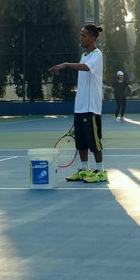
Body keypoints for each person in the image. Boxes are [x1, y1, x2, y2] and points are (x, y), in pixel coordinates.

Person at [51, 24, 107, 183]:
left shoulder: (97, 55)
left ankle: (101, 171)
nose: (80, 38)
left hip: (91, 108)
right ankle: (84, 169)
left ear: (92, 38)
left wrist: (66, 64)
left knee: (94, 142)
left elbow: (86, 68)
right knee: (81, 142)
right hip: (80, 107)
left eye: (83, 35)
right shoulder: (84, 55)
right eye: (80, 35)